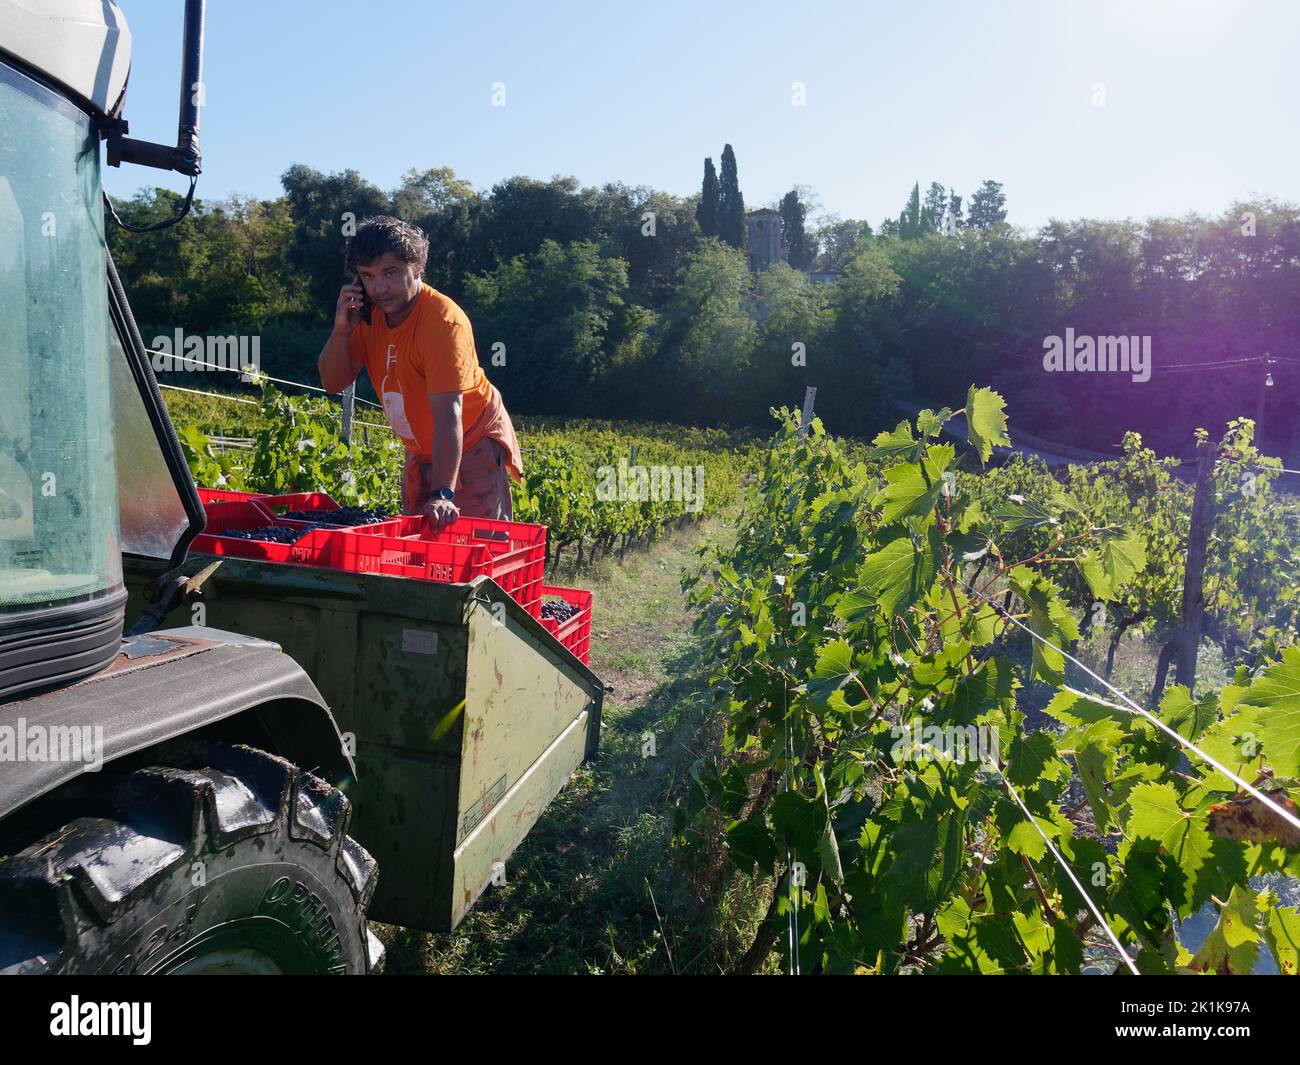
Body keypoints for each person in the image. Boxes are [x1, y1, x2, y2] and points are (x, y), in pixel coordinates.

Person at [317, 215, 522, 527]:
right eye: (367, 276)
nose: (380, 288)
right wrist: (341, 331)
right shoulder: (367, 315)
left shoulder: (441, 323)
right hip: (421, 448)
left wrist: (443, 493)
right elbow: (333, 382)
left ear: (417, 270)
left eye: (391, 273)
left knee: (472, 542)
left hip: (470, 438)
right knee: (420, 544)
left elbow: (449, 414)